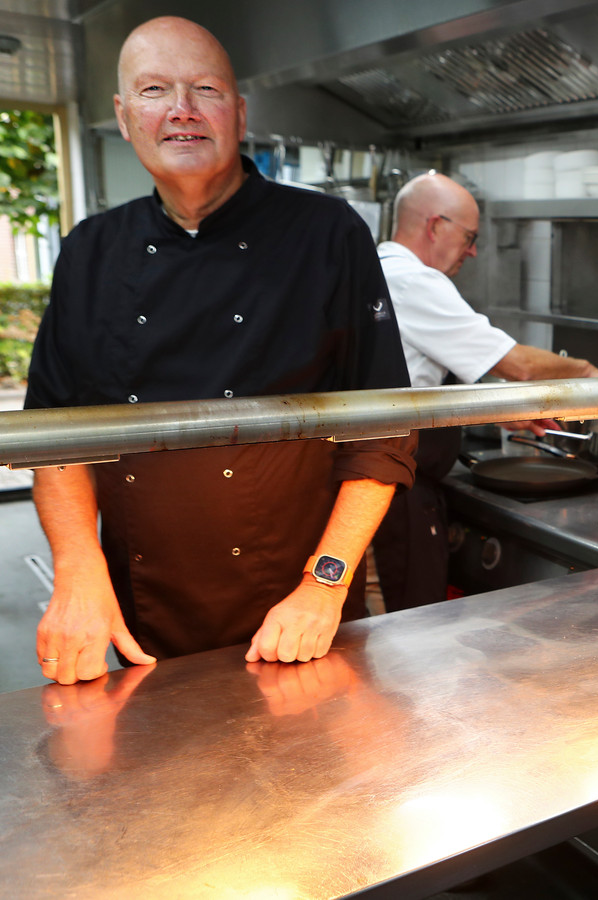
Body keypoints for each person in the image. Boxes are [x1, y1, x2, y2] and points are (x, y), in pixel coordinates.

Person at [25, 16, 416, 685]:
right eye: (154, 90)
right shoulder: (91, 251)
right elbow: (54, 433)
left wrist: (325, 584)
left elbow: (381, 430)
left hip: (301, 615)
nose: (181, 110)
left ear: (238, 113)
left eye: (204, 89)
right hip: (139, 618)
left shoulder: (326, 235)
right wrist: (78, 569)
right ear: (124, 117)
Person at [372, 172, 598, 611]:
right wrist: (586, 371)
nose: (474, 250)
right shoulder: (412, 280)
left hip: (397, 480)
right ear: (435, 225)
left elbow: (411, 384)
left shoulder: (382, 270)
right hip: (396, 484)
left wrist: (491, 411)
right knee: (410, 627)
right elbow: (518, 364)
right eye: (470, 236)